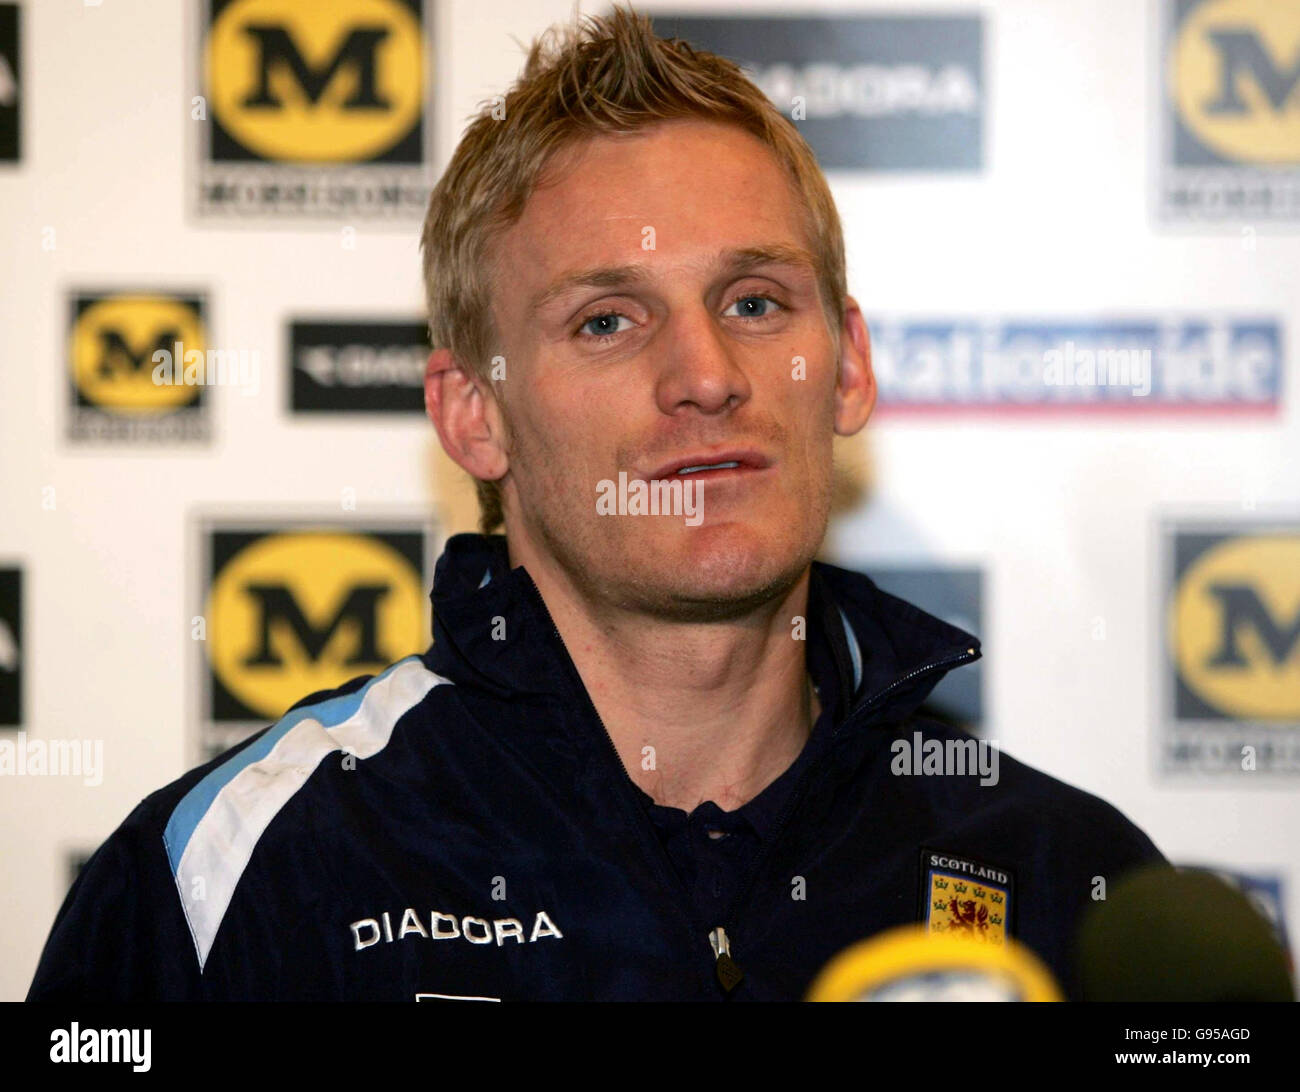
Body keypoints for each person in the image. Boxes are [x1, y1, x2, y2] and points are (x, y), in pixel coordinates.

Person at [27, 7, 1164, 1002]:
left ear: (849, 365)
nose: (707, 374)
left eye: (757, 301)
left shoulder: (1072, 886)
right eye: (607, 321)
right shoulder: (240, 878)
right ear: (474, 412)